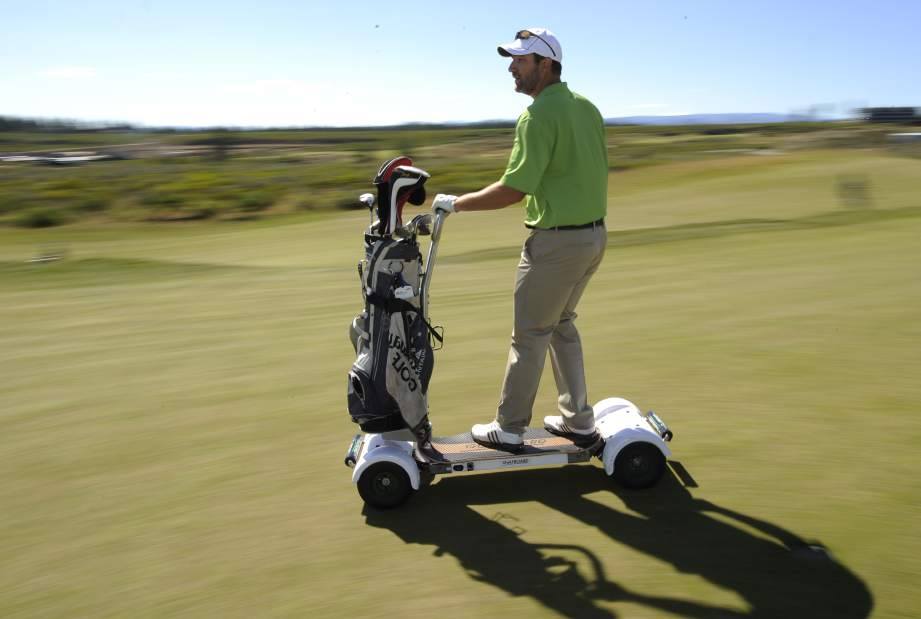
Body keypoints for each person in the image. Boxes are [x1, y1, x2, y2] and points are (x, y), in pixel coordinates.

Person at [431, 27, 608, 452]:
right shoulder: (586, 107)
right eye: (512, 60)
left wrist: (455, 204)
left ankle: (509, 427)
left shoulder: (537, 116)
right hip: (593, 238)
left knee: (529, 334)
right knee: (560, 325)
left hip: (556, 246)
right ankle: (579, 421)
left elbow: (514, 189)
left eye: (521, 60)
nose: (512, 68)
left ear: (546, 65)